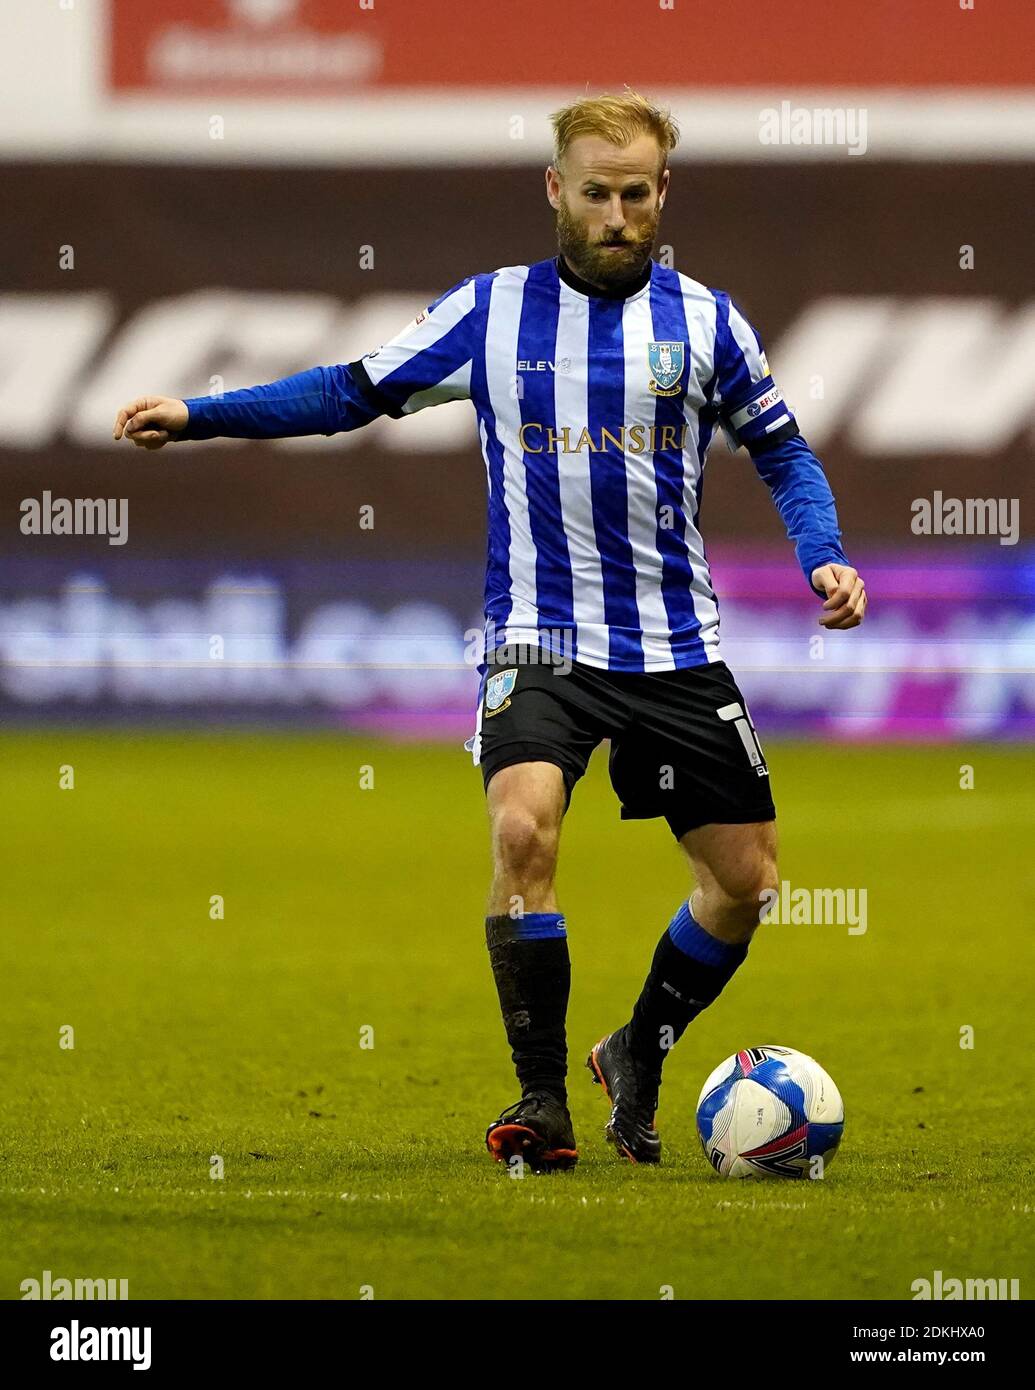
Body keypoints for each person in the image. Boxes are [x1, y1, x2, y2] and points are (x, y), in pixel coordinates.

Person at [113, 89, 866, 1173]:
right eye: (598, 192)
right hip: (539, 637)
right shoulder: (489, 313)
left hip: (671, 647)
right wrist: (203, 414)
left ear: (664, 194)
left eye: (638, 193)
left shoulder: (706, 322)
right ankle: (542, 1099)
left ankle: (640, 1051)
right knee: (524, 832)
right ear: (556, 192)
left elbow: (785, 452)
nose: (618, 213)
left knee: (747, 882)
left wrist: (823, 553)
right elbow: (351, 392)